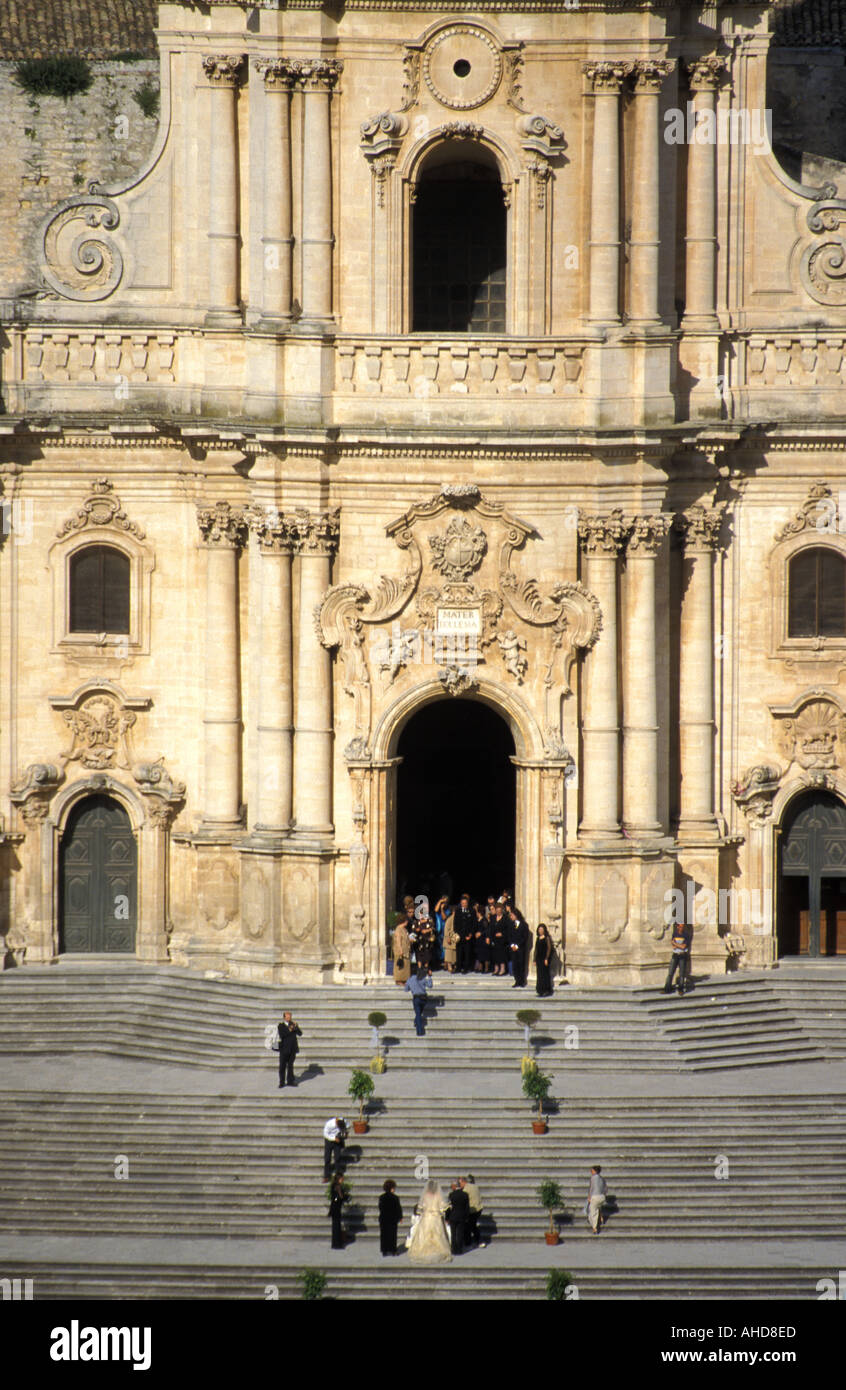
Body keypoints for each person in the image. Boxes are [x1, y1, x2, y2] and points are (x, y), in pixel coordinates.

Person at [406, 1180, 453, 1263]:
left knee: (424, 1235)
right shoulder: (438, 1195)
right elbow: (443, 1207)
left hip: (426, 1217)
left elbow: (421, 1206)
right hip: (436, 1217)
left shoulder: (425, 1196)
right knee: (437, 1235)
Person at [664, 920, 693, 996]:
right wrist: (677, 945)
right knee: (670, 972)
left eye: (682, 926)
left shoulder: (686, 935)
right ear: (677, 927)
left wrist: (675, 944)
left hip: (682, 955)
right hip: (675, 954)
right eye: (680, 926)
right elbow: (673, 946)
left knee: (682, 974)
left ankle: (681, 989)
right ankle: (667, 989)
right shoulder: (675, 934)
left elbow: (683, 946)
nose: (681, 928)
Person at [405, 965, 433, 1035]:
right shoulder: (422, 978)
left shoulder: (409, 979)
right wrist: (429, 977)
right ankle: (416, 1022)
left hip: (416, 998)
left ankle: (419, 1031)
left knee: (418, 1014)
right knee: (419, 1013)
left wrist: (411, 987)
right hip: (423, 998)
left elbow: (406, 989)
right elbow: (430, 985)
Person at [277, 1011, 302, 1088]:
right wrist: (290, 1029)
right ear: (284, 1017)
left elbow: (300, 1033)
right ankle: (281, 1082)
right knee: (282, 1066)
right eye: (287, 1017)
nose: (289, 1018)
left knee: (290, 1066)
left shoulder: (293, 1024)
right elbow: (283, 1034)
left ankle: (290, 1081)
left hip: (292, 1049)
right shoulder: (281, 1026)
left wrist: (296, 1027)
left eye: (290, 1017)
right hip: (284, 1049)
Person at [378, 1179, 403, 1256]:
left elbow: (380, 1207)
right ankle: (392, 1250)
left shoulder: (381, 1197)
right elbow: (398, 1208)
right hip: (393, 1219)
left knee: (384, 1234)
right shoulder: (395, 1198)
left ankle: (384, 1250)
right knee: (392, 1234)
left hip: (384, 1218)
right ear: (392, 1188)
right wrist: (400, 1217)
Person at [445, 1179, 470, 1254]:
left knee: (453, 1233)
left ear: (454, 1186)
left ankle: (454, 1249)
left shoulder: (451, 1195)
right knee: (460, 1233)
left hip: (453, 1216)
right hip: (462, 1216)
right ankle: (459, 1249)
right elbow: (467, 1207)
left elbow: (449, 1207)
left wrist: (447, 1217)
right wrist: (466, 1216)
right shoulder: (465, 1194)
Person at [508, 906, 530, 988]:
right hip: (513, 948)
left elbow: (525, 937)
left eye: (512, 915)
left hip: (520, 948)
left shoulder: (524, 925)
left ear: (516, 915)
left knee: (521, 964)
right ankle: (517, 980)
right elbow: (509, 936)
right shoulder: (511, 925)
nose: (511, 917)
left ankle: (522, 981)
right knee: (515, 965)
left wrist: (517, 945)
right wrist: (512, 945)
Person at [453, 893, 476, 973]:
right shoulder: (458, 911)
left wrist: (470, 934)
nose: (464, 905)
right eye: (462, 903)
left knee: (467, 952)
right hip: (460, 935)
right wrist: (456, 934)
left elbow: (474, 923)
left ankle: (466, 968)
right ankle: (458, 967)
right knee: (459, 952)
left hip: (468, 935)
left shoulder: (472, 911)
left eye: (465, 903)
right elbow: (455, 923)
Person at [461, 1174, 484, 1248]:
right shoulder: (475, 1187)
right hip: (479, 1208)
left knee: (468, 1226)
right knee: (473, 1225)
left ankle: (469, 1242)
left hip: (472, 1210)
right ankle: (478, 1240)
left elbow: (463, 1198)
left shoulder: (466, 1189)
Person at [323, 1115, 347, 1182]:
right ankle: (326, 1176)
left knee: (338, 1157)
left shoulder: (344, 1122)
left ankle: (339, 1175)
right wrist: (334, 1138)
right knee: (327, 1158)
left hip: (338, 1139)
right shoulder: (329, 1124)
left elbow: (347, 1127)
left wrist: (344, 1135)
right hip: (329, 1140)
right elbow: (325, 1134)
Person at [329, 1172, 348, 1250]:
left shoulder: (335, 1186)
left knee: (336, 1225)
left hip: (335, 1208)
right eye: (341, 1179)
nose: (342, 1180)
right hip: (336, 1208)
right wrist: (338, 1199)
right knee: (336, 1226)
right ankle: (336, 1243)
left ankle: (336, 1243)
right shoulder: (337, 1187)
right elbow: (336, 1198)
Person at [392, 913, 412, 986]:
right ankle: (399, 980)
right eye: (406, 920)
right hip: (401, 951)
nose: (407, 922)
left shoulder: (405, 929)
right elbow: (398, 941)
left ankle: (404, 980)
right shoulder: (398, 929)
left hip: (406, 950)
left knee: (406, 966)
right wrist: (400, 950)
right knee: (400, 966)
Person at [587, 1165, 607, 1235]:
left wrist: (589, 1196)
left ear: (595, 1171)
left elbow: (591, 1188)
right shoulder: (602, 1178)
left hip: (595, 1196)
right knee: (598, 1206)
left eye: (592, 1170)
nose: (591, 1172)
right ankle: (601, 1217)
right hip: (602, 1197)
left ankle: (595, 1228)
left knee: (593, 1212)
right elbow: (605, 1188)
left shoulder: (593, 1178)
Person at [534, 923, 553, 998]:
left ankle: (546, 990)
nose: (540, 931)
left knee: (544, 974)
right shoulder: (538, 938)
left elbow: (549, 948)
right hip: (539, 958)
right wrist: (534, 959)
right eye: (539, 929)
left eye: (542, 929)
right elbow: (536, 949)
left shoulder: (547, 938)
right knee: (539, 975)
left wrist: (546, 958)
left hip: (544, 958)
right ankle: (540, 990)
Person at [490, 902, 509, 976]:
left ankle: (502, 969)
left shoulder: (505, 918)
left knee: (501, 955)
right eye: (497, 909)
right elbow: (490, 928)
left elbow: (508, 929)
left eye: (499, 909)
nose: (498, 911)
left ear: (502, 910)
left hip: (502, 940)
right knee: (495, 955)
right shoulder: (493, 918)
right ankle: (496, 969)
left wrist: (502, 934)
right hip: (494, 939)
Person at [472, 901, 490, 973]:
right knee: (479, 953)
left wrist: (481, 933)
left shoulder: (484, 920)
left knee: (484, 954)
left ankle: (486, 968)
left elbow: (486, 929)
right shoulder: (477, 920)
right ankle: (480, 967)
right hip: (478, 940)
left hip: (483, 939)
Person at [442, 903, 458, 973]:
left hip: (455, 938)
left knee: (454, 953)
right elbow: (446, 929)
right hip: (449, 938)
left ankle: (454, 966)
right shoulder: (449, 919)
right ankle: (449, 966)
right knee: (448, 953)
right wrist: (447, 937)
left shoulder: (457, 918)